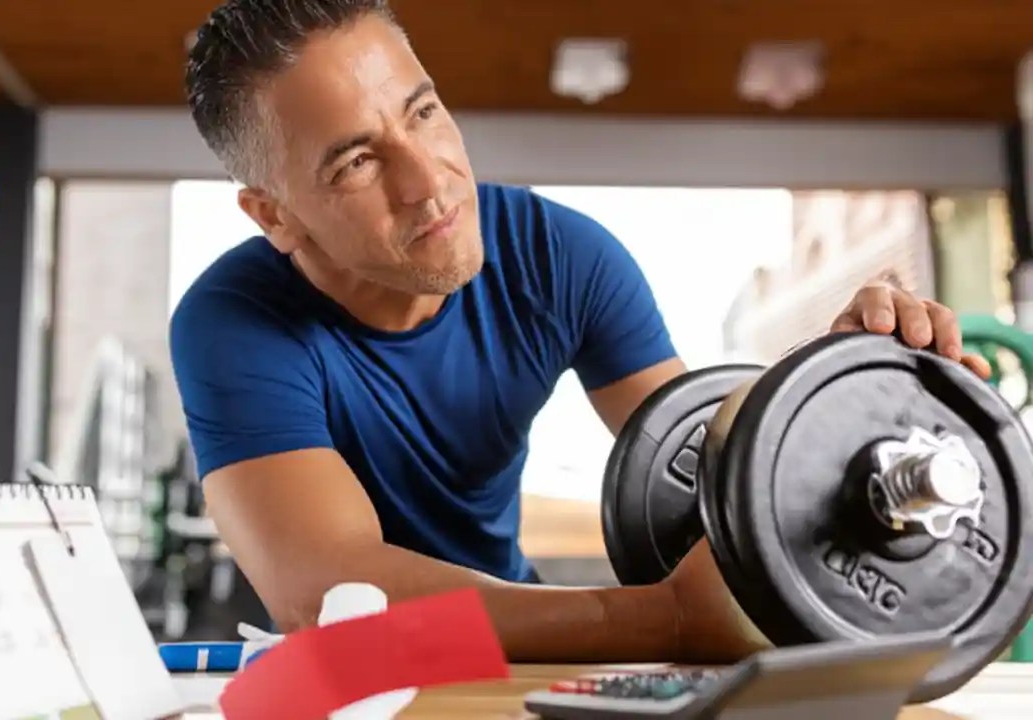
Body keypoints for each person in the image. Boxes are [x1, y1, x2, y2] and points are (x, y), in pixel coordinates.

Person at [169, 0, 991, 664]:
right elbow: (328, 599)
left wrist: (832, 401)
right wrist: (662, 621)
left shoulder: (558, 255)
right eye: (356, 163)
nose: (431, 184)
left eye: (423, 112)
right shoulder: (232, 320)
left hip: (514, 640)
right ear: (274, 214)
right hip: (346, 676)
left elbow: (709, 481)